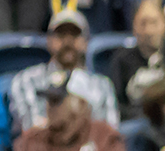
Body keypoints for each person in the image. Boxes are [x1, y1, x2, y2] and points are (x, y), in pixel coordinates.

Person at [8, 9, 119, 137]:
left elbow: (109, 135)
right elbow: (32, 131)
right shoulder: (26, 80)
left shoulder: (102, 85)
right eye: (61, 35)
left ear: (86, 42)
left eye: (75, 35)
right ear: (49, 41)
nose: (67, 41)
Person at [110, 0, 165, 108]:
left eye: (154, 22)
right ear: (134, 27)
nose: (149, 30)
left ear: (164, 24)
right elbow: (118, 108)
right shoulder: (121, 62)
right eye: (143, 23)